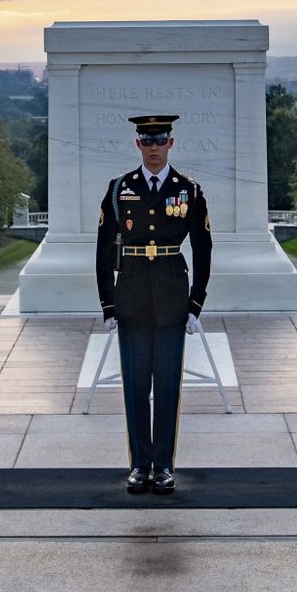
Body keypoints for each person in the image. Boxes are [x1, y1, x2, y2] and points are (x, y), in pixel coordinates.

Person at [94, 114, 213, 494]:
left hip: (171, 297)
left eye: (160, 140)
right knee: (134, 385)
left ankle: (162, 465)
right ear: (138, 145)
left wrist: (196, 303)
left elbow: (204, 249)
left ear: (171, 144)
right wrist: (108, 305)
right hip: (130, 297)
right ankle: (138, 464)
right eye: (147, 141)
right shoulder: (119, 190)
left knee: (166, 385)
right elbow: (102, 250)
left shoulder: (188, 190)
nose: (154, 148)